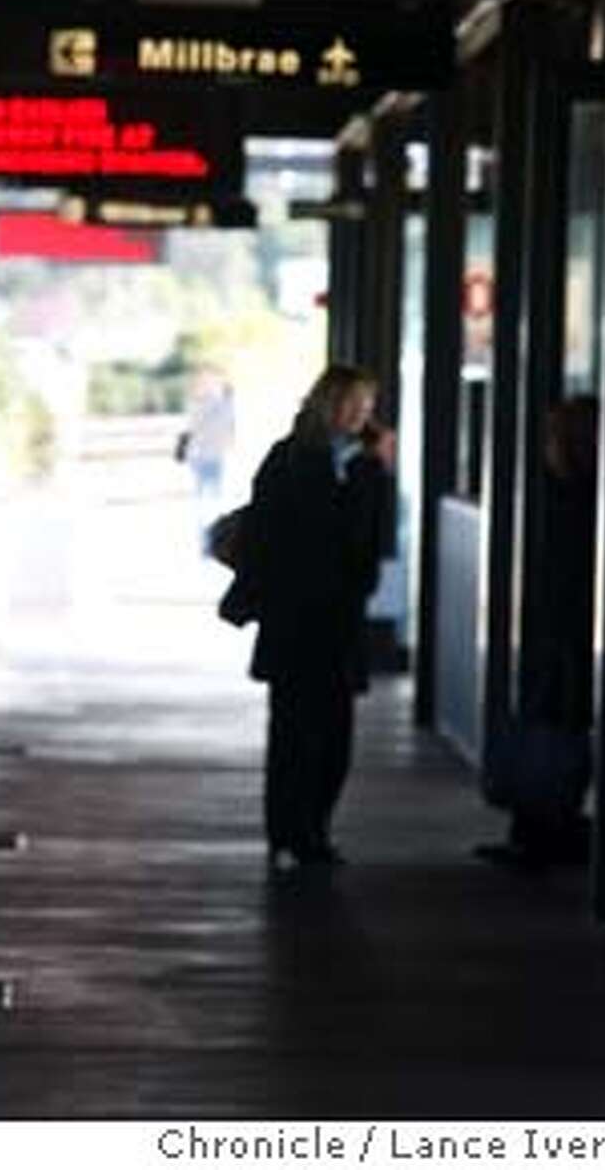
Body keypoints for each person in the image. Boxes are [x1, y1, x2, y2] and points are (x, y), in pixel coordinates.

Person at [239, 363, 395, 874]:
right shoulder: (288, 460)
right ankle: (290, 832)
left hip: (339, 620)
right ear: (328, 404)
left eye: (367, 407)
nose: (361, 415)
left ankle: (316, 827)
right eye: (353, 404)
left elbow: (372, 539)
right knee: (292, 732)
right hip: (293, 618)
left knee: (334, 736)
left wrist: (373, 474)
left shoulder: (366, 467)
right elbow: (268, 532)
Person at [476, 394, 598, 871]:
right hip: (558, 632)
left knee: (551, 730)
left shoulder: (570, 497)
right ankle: (537, 829)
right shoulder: (574, 493)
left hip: (563, 635)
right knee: (550, 730)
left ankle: (543, 829)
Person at [184, 369, 235, 520]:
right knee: (215, 492)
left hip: (199, 453)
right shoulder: (225, 407)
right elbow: (229, 431)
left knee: (200, 492)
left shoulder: (196, 405)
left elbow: (191, 429)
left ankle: (203, 521)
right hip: (214, 453)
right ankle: (214, 522)